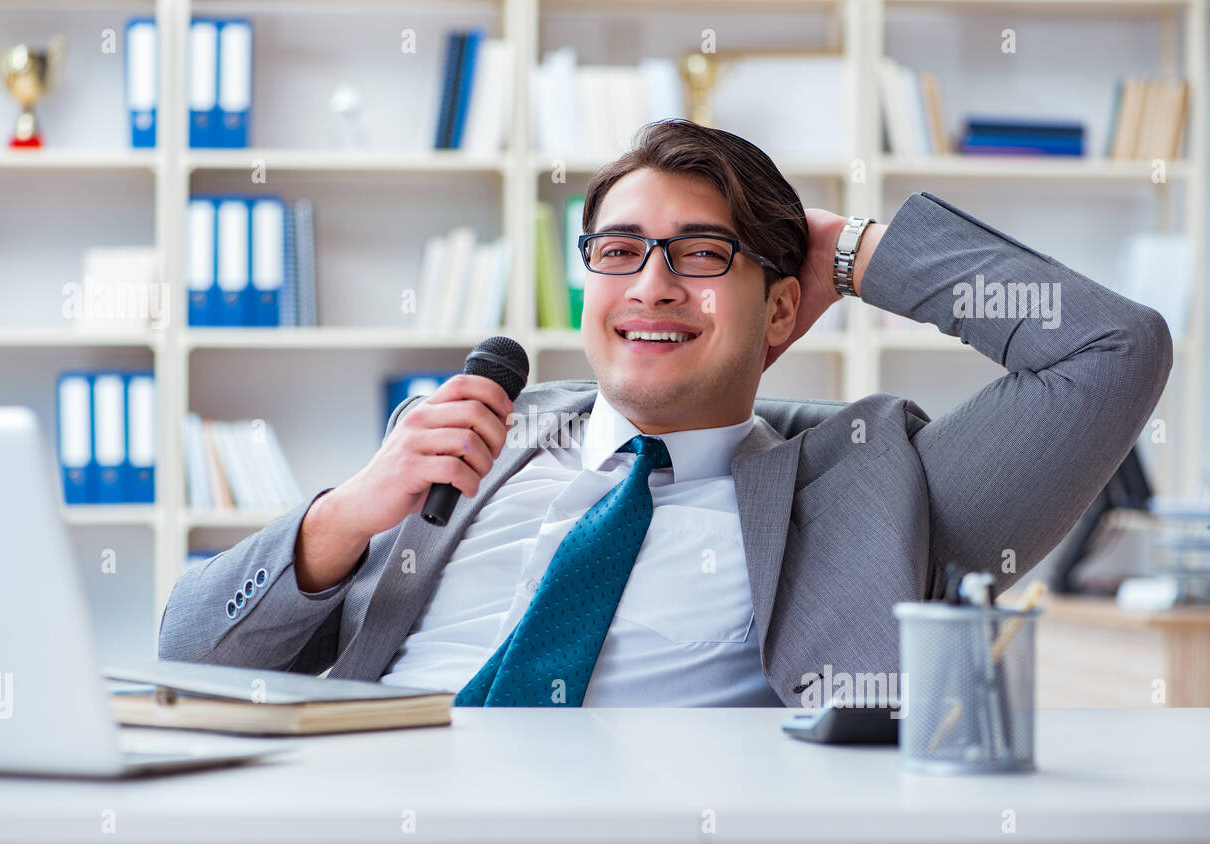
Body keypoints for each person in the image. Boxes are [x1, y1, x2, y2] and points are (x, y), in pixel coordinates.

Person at [159, 118, 1172, 707]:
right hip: (369, 829)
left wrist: (852, 250)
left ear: (781, 305)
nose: (648, 285)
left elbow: (1109, 350)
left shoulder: (872, 484)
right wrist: (339, 518)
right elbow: (188, 660)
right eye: (616, 250)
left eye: (699, 253)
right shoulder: (475, 443)